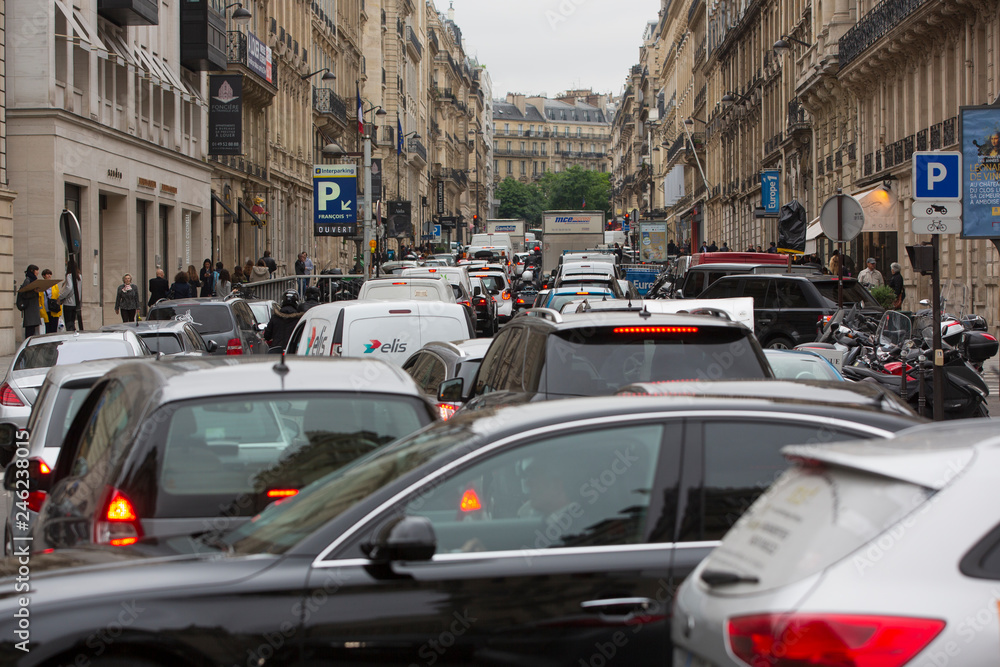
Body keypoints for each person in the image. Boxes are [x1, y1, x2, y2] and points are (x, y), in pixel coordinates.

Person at [17, 264, 41, 338]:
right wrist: (34, 292)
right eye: (36, 270)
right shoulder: (28, 280)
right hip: (30, 308)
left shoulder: (33, 279)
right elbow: (23, 294)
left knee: (32, 329)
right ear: (32, 271)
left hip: (33, 307)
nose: (37, 272)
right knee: (30, 329)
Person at [59, 258, 81, 331]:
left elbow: (69, 288)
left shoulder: (69, 275)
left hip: (68, 303)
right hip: (76, 303)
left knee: (68, 323)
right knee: (72, 322)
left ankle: (70, 335)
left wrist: (61, 297)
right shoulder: (80, 276)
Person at [39, 269, 61, 334]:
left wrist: (59, 311)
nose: (49, 276)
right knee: (47, 329)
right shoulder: (41, 285)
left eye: (50, 274)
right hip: (45, 310)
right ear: (43, 276)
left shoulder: (54, 285)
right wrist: (40, 308)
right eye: (47, 274)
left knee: (54, 329)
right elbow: (39, 298)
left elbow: (58, 296)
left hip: (54, 309)